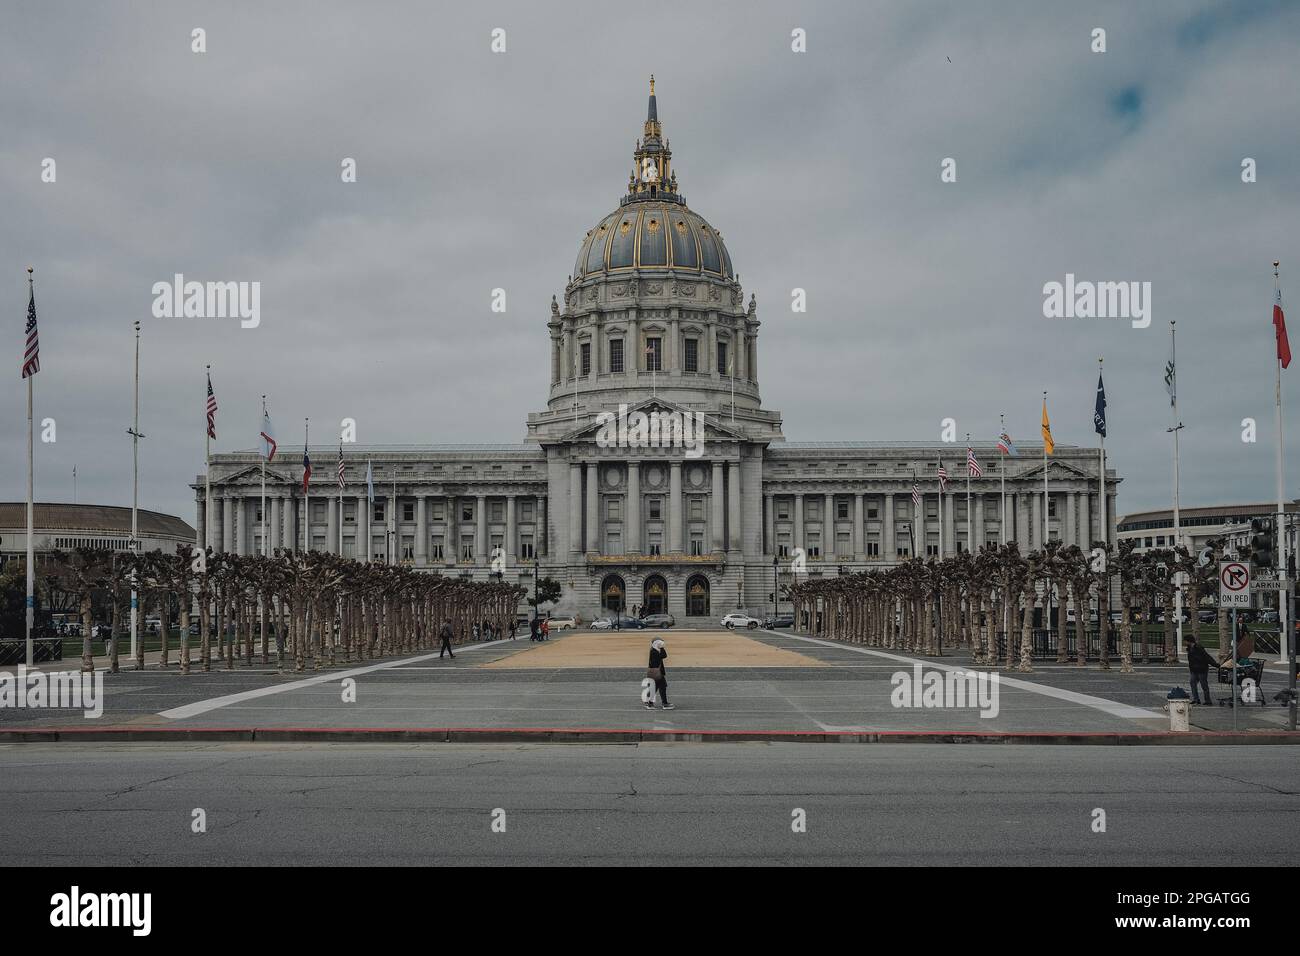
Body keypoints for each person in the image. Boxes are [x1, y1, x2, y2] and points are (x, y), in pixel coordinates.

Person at [645, 637, 674, 710]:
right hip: (656, 673)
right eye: (659, 643)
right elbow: (662, 656)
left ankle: (653, 703)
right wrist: (661, 648)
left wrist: (661, 648)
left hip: (657, 672)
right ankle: (661, 703)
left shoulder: (656, 650)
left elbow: (664, 655)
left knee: (660, 687)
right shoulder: (654, 651)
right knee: (659, 687)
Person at [1185, 634, 1214, 706]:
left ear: (1189, 641)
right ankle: (1196, 699)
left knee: (1204, 685)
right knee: (1192, 683)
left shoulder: (1198, 648)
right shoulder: (1189, 648)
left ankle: (1208, 700)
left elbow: (1207, 657)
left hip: (1201, 669)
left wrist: (1215, 664)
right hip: (1194, 669)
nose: (1184, 642)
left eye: (1185, 641)